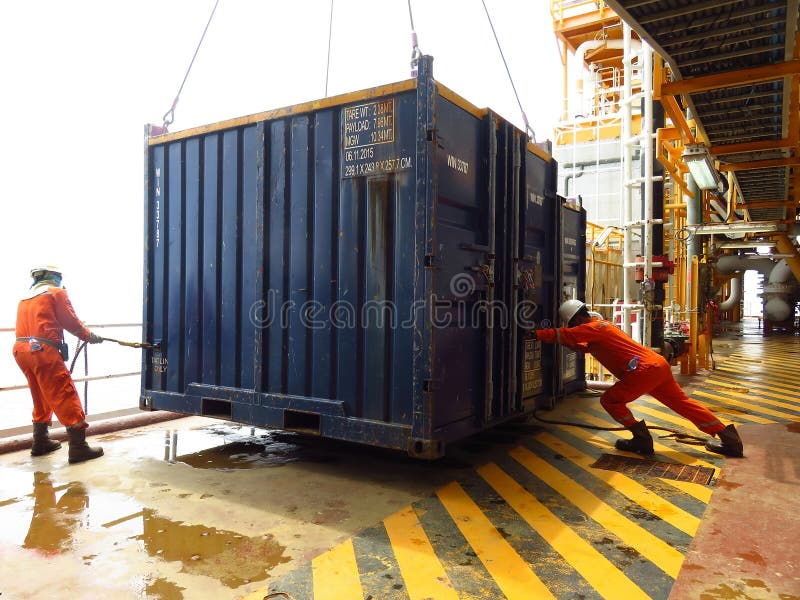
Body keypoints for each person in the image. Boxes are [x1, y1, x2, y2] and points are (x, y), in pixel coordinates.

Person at [533, 299, 744, 457]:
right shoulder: (602, 327)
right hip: (657, 365)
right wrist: (572, 343)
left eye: (573, 325)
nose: (574, 328)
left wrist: (536, 334)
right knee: (683, 404)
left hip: (642, 371)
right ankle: (730, 439)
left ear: (577, 320)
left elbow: (564, 335)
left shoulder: (591, 328)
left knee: (610, 400)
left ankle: (641, 439)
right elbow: (586, 345)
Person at [13, 265, 104, 463]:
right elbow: (69, 321)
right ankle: (78, 447)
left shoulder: (25, 297)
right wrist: (88, 335)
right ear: (55, 277)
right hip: (43, 352)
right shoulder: (55, 292)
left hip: (22, 351)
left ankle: (41, 441)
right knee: (64, 392)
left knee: (40, 392)